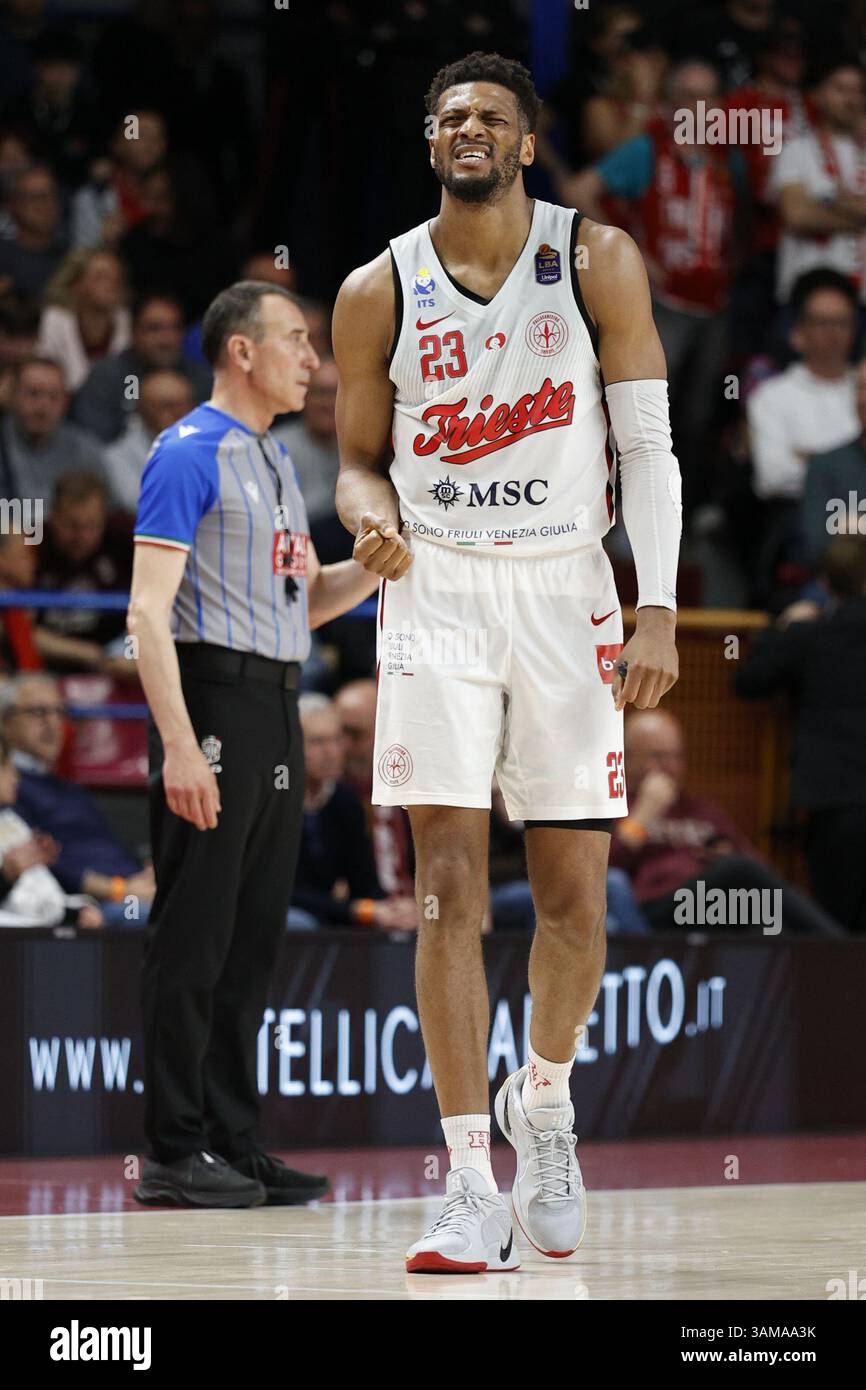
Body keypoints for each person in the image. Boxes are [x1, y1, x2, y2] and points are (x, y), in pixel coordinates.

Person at [333, 51, 681, 1272]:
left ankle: (545, 1102)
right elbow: (357, 459)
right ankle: (465, 1175)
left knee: (575, 892)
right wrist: (364, 510)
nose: (466, 127)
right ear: (430, 145)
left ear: (525, 142)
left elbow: (646, 447)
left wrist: (659, 606)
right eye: (447, 117)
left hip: (565, 584)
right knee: (443, 877)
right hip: (435, 589)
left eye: (488, 115)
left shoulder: (595, 258)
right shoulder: (376, 286)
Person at [127, 279, 380, 1210]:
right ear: (241, 352)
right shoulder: (186, 451)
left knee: (251, 943)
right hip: (215, 701)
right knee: (193, 940)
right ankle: (172, 1149)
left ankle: (233, 1142)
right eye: (297, 340)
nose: (313, 359)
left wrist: (379, 568)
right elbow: (146, 617)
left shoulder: (275, 461)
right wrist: (181, 747)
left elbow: (305, 603)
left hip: (279, 700)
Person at [569, 59, 742, 513]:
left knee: (701, 413)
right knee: (644, 413)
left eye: (708, 97)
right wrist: (632, 255)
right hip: (660, 304)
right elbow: (580, 190)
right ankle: (624, 514)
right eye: (687, 96)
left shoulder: (729, 160)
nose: (698, 107)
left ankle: (686, 513)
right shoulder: (647, 151)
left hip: (715, 305)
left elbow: (748, 219)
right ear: (669, 104)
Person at [609, 709, 841, 935]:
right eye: (657, 756)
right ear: (628, 758)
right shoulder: (616, 808)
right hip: (654, 909)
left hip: (713, 908)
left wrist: (726, 855)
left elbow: (757, 870)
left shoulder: (703, 811)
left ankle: (826, 956)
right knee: (739, 872)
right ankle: (841, 947)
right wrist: (642, 816)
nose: (670, 766)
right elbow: (603, 872)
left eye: (676, 756)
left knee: (763, 918)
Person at [735, 533, 866, 932]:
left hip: (834, 806)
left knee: (837, 930)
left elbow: (748, 682)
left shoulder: (809, 636)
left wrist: (784, 629)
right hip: (836, 802)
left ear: (825, 584)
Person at [1, 671, 154, 920]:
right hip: (89, 907)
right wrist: (122, 890)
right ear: (6, 722)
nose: (52, 723)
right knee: (155, 918)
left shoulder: (72, 789)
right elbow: (42, 863)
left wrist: (145, 873)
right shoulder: (8, 789)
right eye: (38, 712)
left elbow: (106, 847)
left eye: (59, 712)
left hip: (131, 889)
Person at [291, 693, 415, 930]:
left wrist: (393, 909)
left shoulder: (345, 801)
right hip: (290, 914)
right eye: (317, 742)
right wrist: (362, 910)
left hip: (329, 912)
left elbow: (362, 879)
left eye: (337, 740)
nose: (331, 751)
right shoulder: (276, 803)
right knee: (299, 923)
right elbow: (283, 890)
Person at [771, 58, 866, 306]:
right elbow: (797, 215)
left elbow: (809, 211)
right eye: (840, 89)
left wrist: (828, 201)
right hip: (808, 299)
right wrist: (857, 211)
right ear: (818, 95)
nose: (851, 99)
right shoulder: (796, 149)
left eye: (858, 90)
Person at [32, 471, 134, 677]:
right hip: (49, 669)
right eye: (72, 526)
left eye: (91, 525)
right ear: (53, 517)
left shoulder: (126, 538)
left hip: (120, 665)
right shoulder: (32, 546)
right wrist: (88, 654)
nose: (82, 536)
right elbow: (14, 626)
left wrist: (133, 654)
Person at [71, 291, 211, 443]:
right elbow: (92, 440)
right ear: (133, 332)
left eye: (174, 328)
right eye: (154, 329)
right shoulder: (108, 376)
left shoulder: (199, 379)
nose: (166, 340)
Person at [0, 356, 104, 506]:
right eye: (33, 394)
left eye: (54, 397)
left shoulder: (84, 450)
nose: (43, 407)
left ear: (66, 402)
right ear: (13, 396)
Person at [36, 248, 131, 392]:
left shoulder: (125, 320)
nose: (112, 285)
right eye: (101, 277)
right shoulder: (54, 320)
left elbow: (130, 379)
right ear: (75, 284)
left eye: (116, 278)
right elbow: (43, 372)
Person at [103, 368, 195, 513]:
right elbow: (138, 504)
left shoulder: (213, 446)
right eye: (168, 406)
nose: (180, 413)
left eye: (185, 404)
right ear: (144, 411)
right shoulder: (117, 457)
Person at [803, 357, 866, 563]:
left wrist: (855, 526)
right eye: (859, 388)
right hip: (844, 587)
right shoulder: (825, 464)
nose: (863, 399)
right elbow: (816, 544)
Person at [0, 163, 65, 299]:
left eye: (51, 195)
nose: (46, 204)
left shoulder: (70, 261)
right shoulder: (3, 257)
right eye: (35, 197)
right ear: (12, 206)